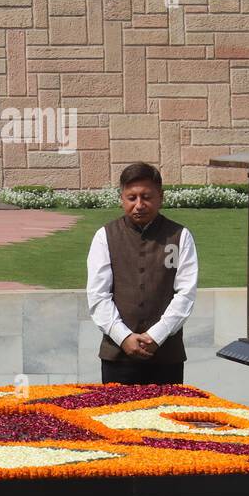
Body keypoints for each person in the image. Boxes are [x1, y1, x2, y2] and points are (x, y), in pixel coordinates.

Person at [87, 162, 198, 385]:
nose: (139, 205)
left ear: (161, 197)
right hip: (118, 356)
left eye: (146, 197)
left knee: (168, 417)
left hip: (166, 356)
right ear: (121, 199)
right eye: (132, 197)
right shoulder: (105, 236)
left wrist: (156, 336)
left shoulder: (180, 236)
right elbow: (98, 295)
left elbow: (186, 293)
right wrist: (124, 337)